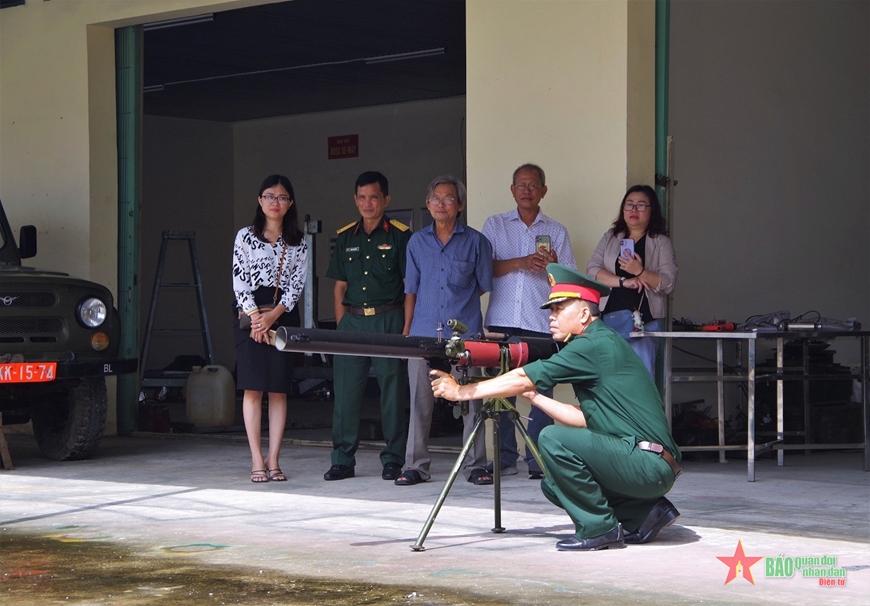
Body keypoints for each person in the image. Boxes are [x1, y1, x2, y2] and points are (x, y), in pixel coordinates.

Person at [430, 264, 681, 551]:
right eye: (551, 310)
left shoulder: (591, 346)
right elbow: (583, 418)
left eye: (559, 309)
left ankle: (601, 529)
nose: (551, 317)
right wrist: (535, 397)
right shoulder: (601, 342)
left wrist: (461, 391)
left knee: (550, 437)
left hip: (647, 463)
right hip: (650, 462)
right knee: (555, 484)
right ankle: (645, 514)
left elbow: (523, 376)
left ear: (584, 314)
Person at [394, 176, 494, 486]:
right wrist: (408, 329)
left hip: (466, 333)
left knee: (471, 400)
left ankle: (476, 465)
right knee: (419, 402)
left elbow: (482, 285)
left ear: (460, 205)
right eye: (436, 199)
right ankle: (415, 466)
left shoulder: (477, 242)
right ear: (427, 205)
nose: (441, 204)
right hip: (423, 331)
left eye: (448, 199)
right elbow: (411, 288)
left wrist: (454, 305)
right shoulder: (416, 242)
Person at [482, 163, 576, 480]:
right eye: (521, 185)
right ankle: (506, 457)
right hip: (502, 323)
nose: (526, 191)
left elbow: (567, 285)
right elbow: (484, 271)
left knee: (541, 396)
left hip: (540, 324)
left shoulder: (557, 231)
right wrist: (521, 262)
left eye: (533, 185)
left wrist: (554, 268)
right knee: (503, 395)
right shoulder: (495, 226)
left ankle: (537, 459)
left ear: (543, 191)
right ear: (512, 190)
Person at [323, 171, 412, 482]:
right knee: (346, 392)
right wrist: (341, 326)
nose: (367, 203)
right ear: (355, 200)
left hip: (388, 318)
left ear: (386, 200)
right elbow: (338, 287)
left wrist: (406, 328)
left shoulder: (401, 236)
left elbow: (408, 286)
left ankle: (393, 458)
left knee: (392, 391)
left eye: (373, 197)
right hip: (352, 320)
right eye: (361, 197)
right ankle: (342, 459)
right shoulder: (346, 236)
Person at [232, 174, 308, 483]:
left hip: (282, 314)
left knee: (278, 389)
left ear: (290, 203)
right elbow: (239, 281)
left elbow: (296, 286)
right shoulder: (245, 237)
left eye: (282, 197)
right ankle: (255, 459)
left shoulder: (297, 241)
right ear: (259, 200)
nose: (275, 202)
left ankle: (274, 458)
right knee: (253, 389)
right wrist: (255, 319)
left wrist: (272, 318)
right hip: (249, 313)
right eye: (269, 196)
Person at [585, 185, 677, 377]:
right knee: (610, 377)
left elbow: (668, 282)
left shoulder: (661, 242)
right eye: (630, 205)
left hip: (644, 321)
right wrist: (623, 281)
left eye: (641, 205)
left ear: (652, 211)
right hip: (609, 319)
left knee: (641, 376)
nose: (634, 210)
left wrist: (640, 271)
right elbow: (592, 270)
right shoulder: (610, 238)